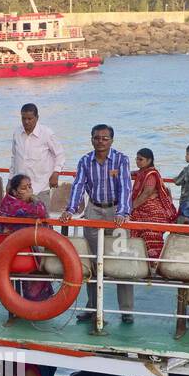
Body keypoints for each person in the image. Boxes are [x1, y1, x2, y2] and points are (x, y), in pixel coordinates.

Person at [61, 124, 133, 324]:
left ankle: (127, 312)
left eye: (105, 138)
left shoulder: (121, 160)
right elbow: (78, 186)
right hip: (93, 210)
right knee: (92, 261)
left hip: (116, 212)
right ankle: (92, 308)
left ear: (111, 140)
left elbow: (126, 187)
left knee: (122, 262)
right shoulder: (85, 161)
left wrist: (122, 212)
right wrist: (70, 209)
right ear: (91, 139)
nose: (101, 141)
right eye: (97, 138)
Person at [0, 174, 52, 306]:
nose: (29, 190)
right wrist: (34, 198)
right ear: (15, 192)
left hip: (19, 251)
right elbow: (40, 210)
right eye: (24, 188)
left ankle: (31, 306)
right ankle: (32, 306)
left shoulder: (12, 202)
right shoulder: (12, 205)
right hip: (19, 254)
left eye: (30, 186)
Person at [130, 147, 178, 261]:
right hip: (143, 208)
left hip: (152, 211)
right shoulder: (142, 172)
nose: (137, 161)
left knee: (147, 232)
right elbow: (133, 173)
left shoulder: (151, 175)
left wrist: (131, 207)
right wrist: (119, 172)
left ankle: (155, 262)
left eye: (140, 159)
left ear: (149, 160)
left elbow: (146, 193)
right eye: (136, 159)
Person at [10, 103, 65, 193]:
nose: (26, 122)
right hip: (20, 189)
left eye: (29, 119)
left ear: (37, 118)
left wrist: (56, 173)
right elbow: (14, 157)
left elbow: (60, 154)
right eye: (23, 118)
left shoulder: (47, 133)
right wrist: (10, 180)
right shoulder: (17, 133)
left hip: (41, 188)